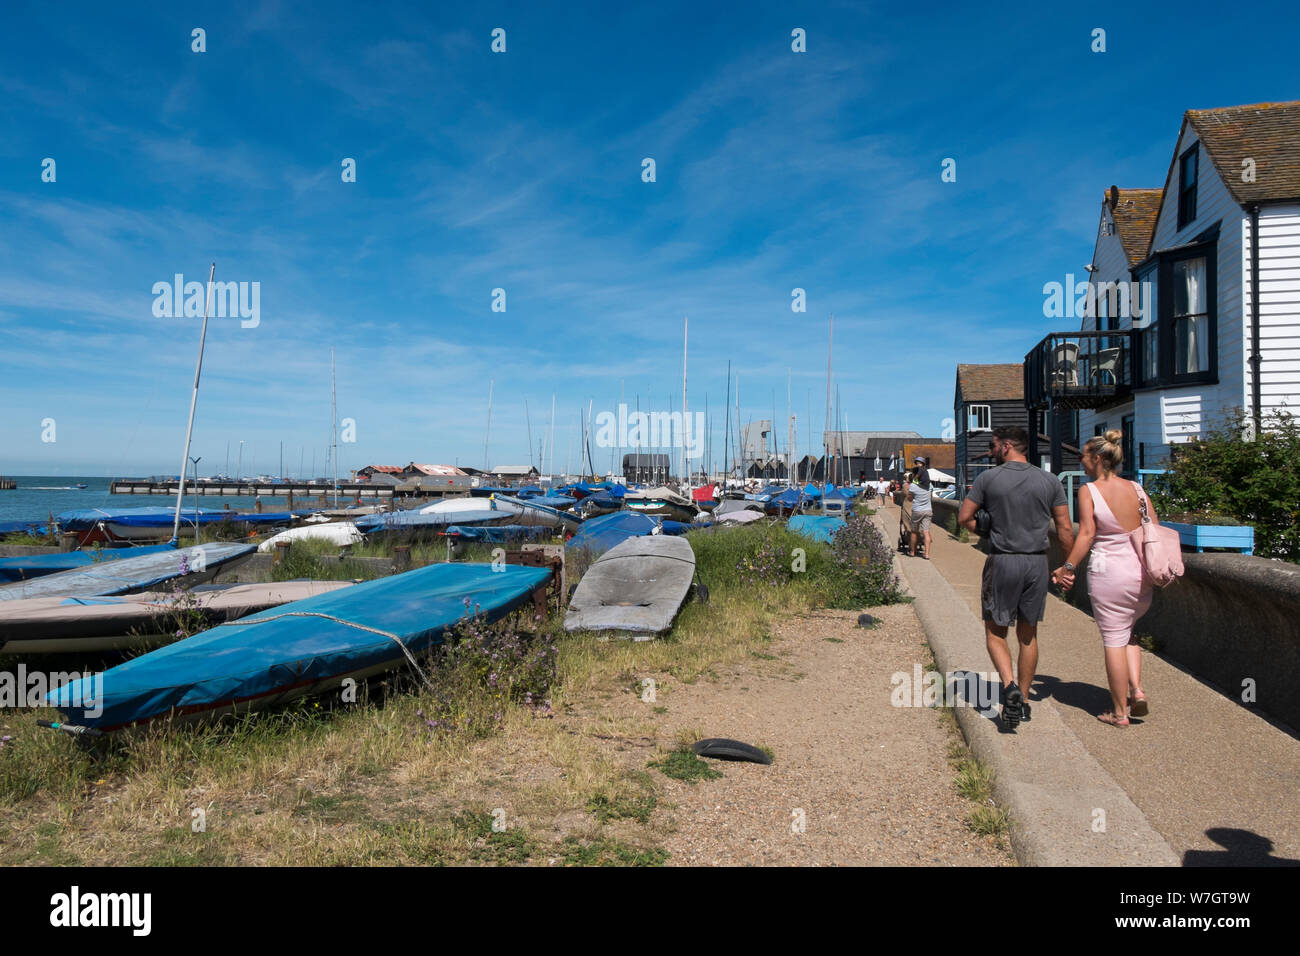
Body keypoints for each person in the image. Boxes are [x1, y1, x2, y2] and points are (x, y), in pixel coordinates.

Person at [958, 426, 1075, 731]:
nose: (991, 450)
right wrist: (1067, 567)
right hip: (1037, 563)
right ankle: (1022, 701)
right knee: (1028, 634)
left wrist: (984, 529)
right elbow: (1064, 529)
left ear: (1007, 446)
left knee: (996, 632)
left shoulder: (988, 479)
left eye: (993, 445)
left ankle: (1009, 686)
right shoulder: (1049, 481)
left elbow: (963, 518)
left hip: (1003, 561)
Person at [1054, 429, 1154, 728]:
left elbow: (1086, 534)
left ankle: (1120, 712)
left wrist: (1067, 568)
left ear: (1097, 458)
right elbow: (1154, 528)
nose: (1081, 462)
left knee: (1112, 640)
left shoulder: (1090, 490)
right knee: (1129, 632)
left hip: (1110, 574)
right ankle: (1136, 689)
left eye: (1083, 456)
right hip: (1140, 574)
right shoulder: (1137, 489)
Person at [905, 457, 933, 558]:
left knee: (914, 532)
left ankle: (912, 552)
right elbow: (931, 496)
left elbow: (909, 499)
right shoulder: (929, 485)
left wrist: (909, 492)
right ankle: (927, 554)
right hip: (928, 510)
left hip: (917, 511)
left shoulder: (913, 486)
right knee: (926, 532)